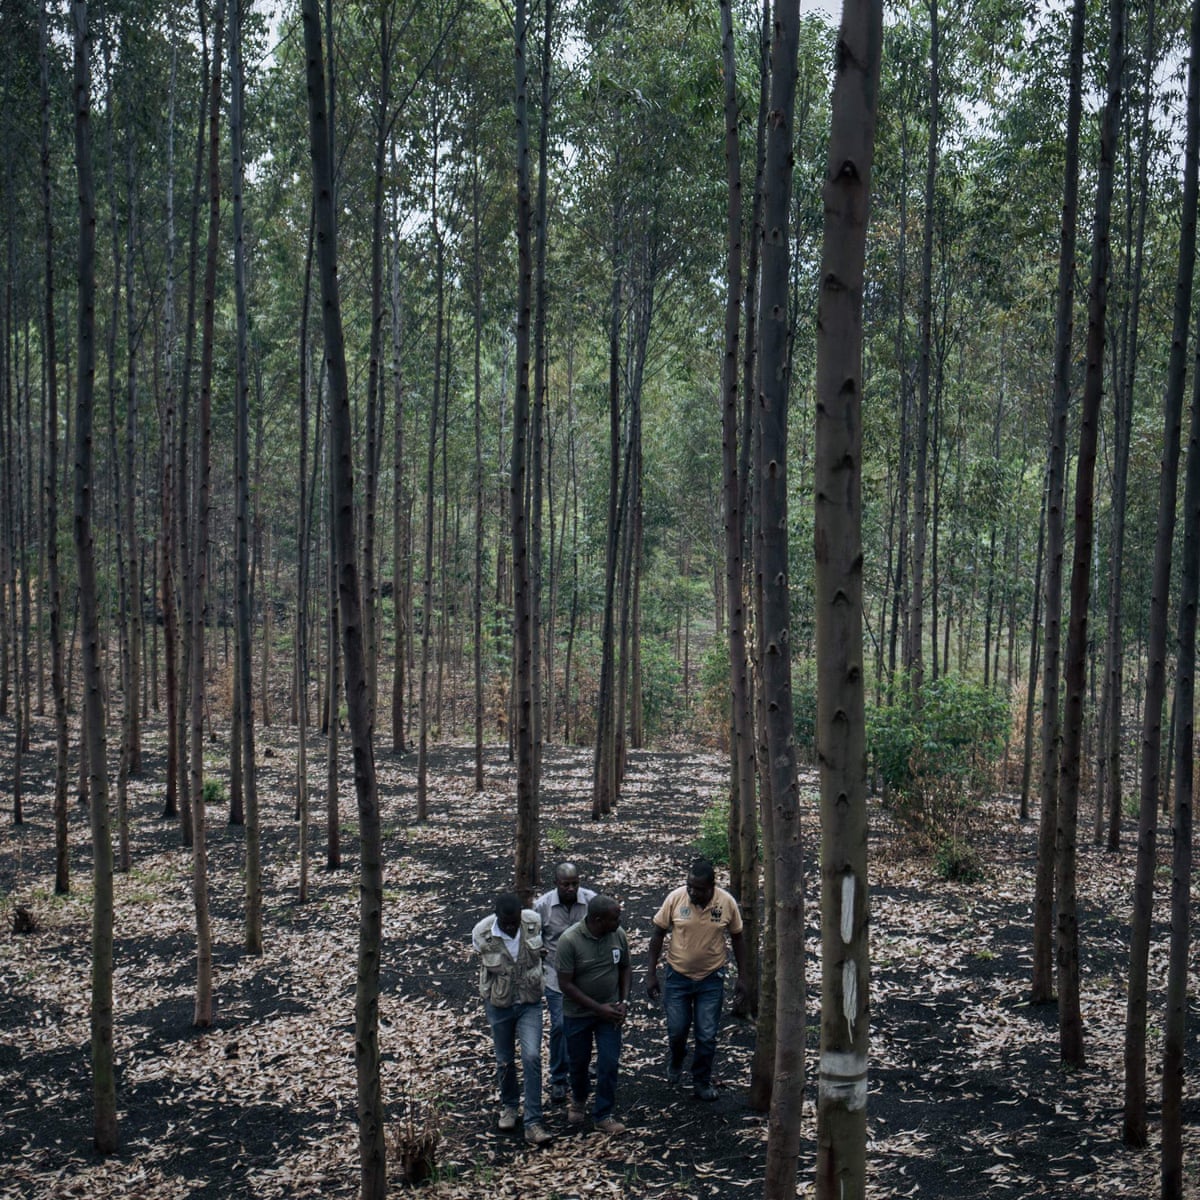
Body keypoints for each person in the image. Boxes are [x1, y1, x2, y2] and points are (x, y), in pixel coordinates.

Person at [644, 858, 747, 1101]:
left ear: (712, 887)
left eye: (699, 888)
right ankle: (677, 1057)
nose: (692, 892)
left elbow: (738, 938)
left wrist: (743, 976)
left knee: (707, 1034)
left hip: (711, 977)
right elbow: (658, 934)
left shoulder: (726, 903)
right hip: (677, 975)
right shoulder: (676, 899)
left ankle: (701, 1080)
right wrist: (651, 973)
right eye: (689, 886)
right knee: (677, 1029)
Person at [471, 892, 553, 1146]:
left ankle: (533, 1121)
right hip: (500, 1004)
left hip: (530, 1002)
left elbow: (542, 952)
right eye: (506, 923)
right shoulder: (482, 933)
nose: (510, 927)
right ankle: (509, 1106)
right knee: (504, 1059)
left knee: (532, 1056)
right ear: (497, 917)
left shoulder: (532, 922)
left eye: (514, 921)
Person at [555, 895, 630, 1135]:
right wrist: (598, 1008)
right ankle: (578, 1098)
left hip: (610, 1012)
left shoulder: (618, 934)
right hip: (578, 1013)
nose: (619, 921)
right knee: (578, 1063)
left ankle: (603, 1114)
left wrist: (623, 1001)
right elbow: (565, 984)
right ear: (598, 920)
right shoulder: (570, 941)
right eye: (614, 918)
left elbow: (625, 966)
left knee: (609, 1062)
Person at [533, 863, 597, 1103]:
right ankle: (558, 1077)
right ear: (556, 884)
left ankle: (579, 1067)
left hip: (585, 975)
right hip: (555, 975)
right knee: (560, 1025)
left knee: (585, 1024)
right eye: (565, 884)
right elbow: (534, 939)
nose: (571, 888)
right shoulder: (542, 906)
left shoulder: (591, 901)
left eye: (574, 883)